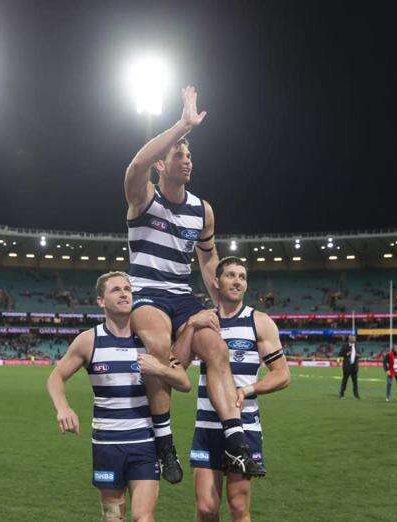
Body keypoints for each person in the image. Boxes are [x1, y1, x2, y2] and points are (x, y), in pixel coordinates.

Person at [123, 85, 260, 480]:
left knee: (216, 349)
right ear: (161, 166)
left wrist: (216, 301)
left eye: (189, 154)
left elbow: (208, 256)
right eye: (178, 154)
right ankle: (164, 444)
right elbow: (135, 165)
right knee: (158, 343)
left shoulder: (203, 210)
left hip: (183, 296)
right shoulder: (143, 197)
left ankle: (235, 439)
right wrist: (181, 125)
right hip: (147, 292)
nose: (186, 159)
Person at [46, 271, 191, 521]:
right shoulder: (89, 341)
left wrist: (158, 368)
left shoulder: (151, 340)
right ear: (101, 301)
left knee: (142, 518)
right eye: (116, 290)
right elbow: (55, 377)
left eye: (127, 289)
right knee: (113, 516)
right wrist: (63, 408)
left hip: (144, 443)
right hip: (106, 444)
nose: (125, 294)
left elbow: (185, 383)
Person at [173, 257, 290, 521]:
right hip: (207, 425)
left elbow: (282, 374)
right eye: (231, 275)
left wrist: (246, 390)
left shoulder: (258, 322)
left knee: (238, 507)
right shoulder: (203, 320)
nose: (237, 281)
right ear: (217, 281)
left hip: (244, 423)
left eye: (242, 277)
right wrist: (191, 325)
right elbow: (177, 365)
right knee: (205, 508)